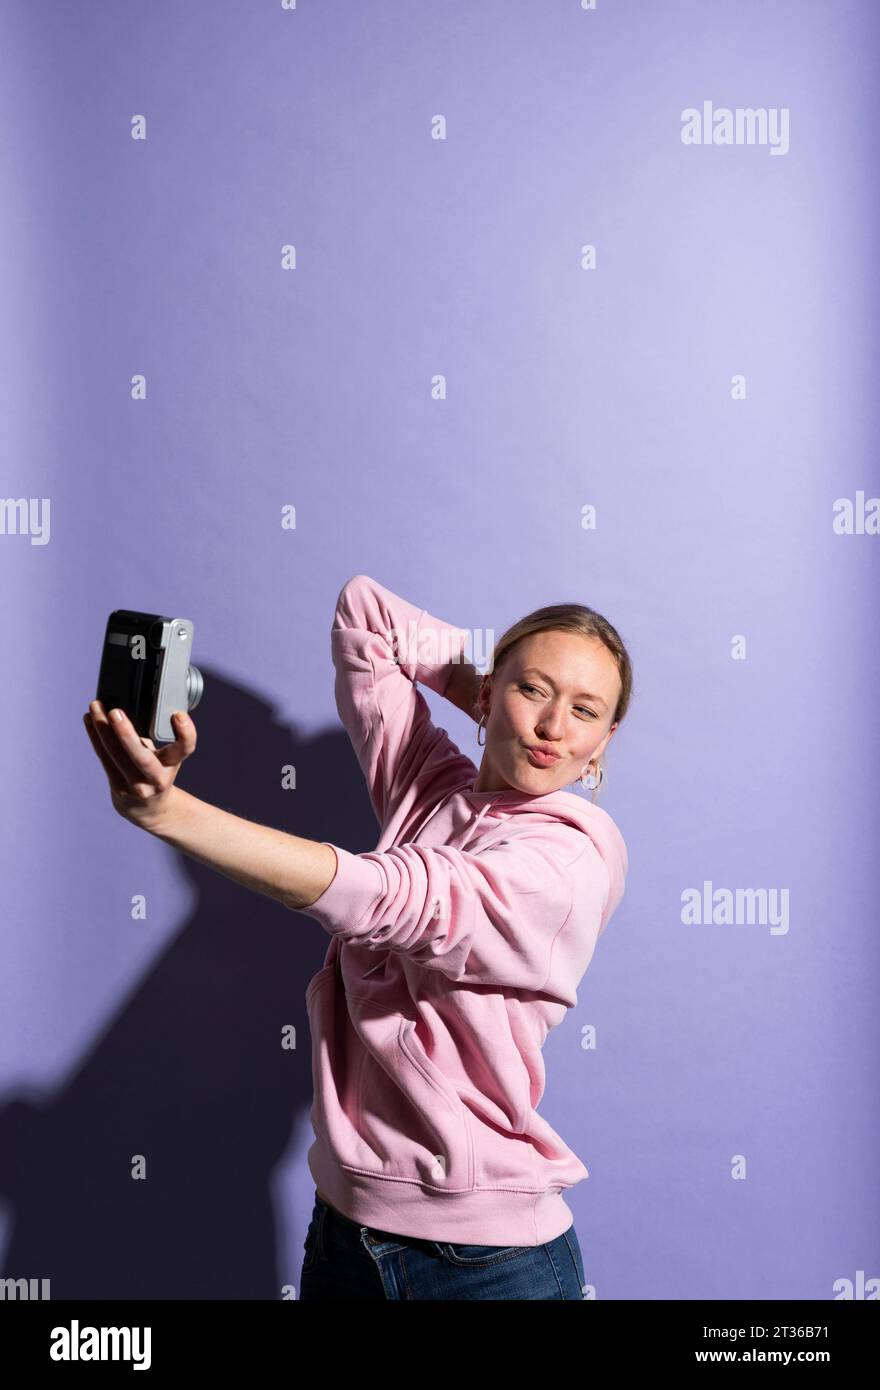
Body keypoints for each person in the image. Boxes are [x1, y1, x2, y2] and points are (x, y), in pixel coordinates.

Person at [83, 574, 633, 1301]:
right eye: (534, 691)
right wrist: (487, 687)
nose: (553, 726)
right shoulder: (433, 789)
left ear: (602, 744)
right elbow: (366, 615)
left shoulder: (567, 861)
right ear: (490, 691)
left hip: (484, 1264)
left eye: (584, 710)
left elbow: (388, 895)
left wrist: (170, 814)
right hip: (345, 1226)